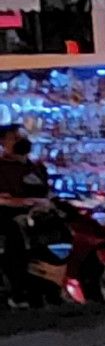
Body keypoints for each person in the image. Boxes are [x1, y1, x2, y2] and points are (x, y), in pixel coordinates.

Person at [0, 124, 51, 305]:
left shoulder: (36, 166)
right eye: (15, 138)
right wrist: (28, 202)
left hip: (39, 213)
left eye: (22, 137)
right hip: (10, 215)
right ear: (3, 142)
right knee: (17, 235)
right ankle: (18, 290)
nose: (21, 141)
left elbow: (47, 192)